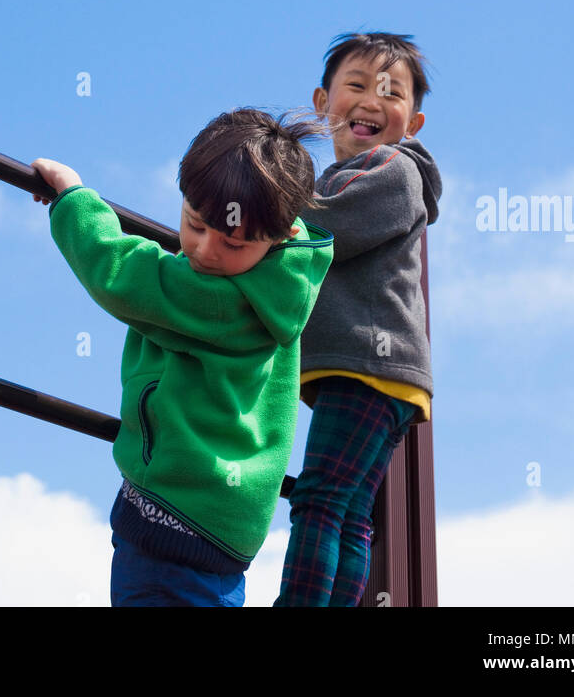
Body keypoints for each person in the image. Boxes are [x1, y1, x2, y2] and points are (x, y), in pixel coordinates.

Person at [31, 107, 333, 607]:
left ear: (276, 237)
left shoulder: (223, 301)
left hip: (173, 523)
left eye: (232, 242)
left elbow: (122, 274)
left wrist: (72, 199)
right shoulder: (281, 279)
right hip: (216, 532)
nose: (206, 252)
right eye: (195, 224)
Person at [274, 32, 442, 607]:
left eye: (392, 92)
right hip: (382, 371)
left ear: (412, 122)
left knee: (320, 499)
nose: (373, 99)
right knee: (346, 512)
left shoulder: (393, 169)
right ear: (323, 103)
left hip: (369, 360)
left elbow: (327, 233)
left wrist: (261, 210)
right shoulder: (360, 173)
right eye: (357, 85)